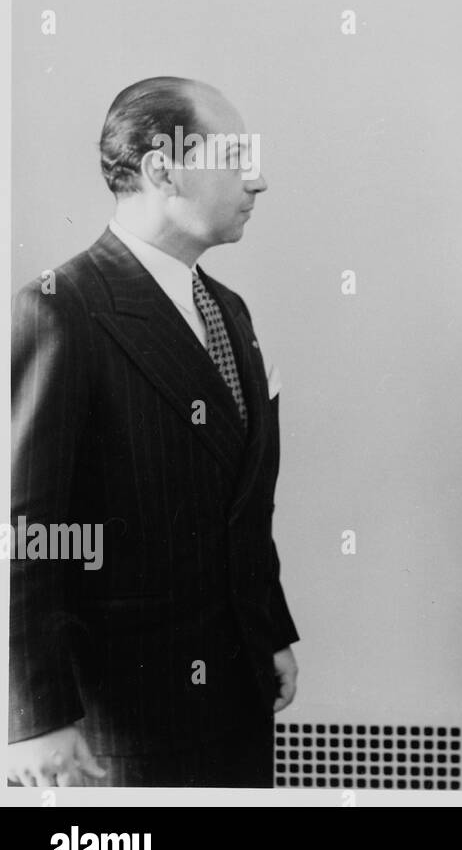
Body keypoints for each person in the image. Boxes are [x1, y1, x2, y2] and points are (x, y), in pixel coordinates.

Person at [6, 77, 299, 787]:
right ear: (163, 168)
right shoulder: (61, 309)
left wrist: (273, 629)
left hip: (236, 694)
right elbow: (23, 528)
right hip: (128, 723)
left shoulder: (229, 312)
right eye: (235, 157)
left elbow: (241, 505)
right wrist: (34, 716)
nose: (257, 181)